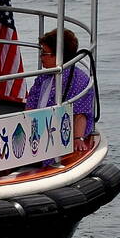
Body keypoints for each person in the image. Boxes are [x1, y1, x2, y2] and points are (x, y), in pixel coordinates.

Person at [26, 28, 95, 156]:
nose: (41, 57)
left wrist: (78, 139)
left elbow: (80, 113)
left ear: (59, 55)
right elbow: (31, 104)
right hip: (39, 131)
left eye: (44, 53)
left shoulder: (78, 79)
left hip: (60, 134)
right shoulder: (43, 76)